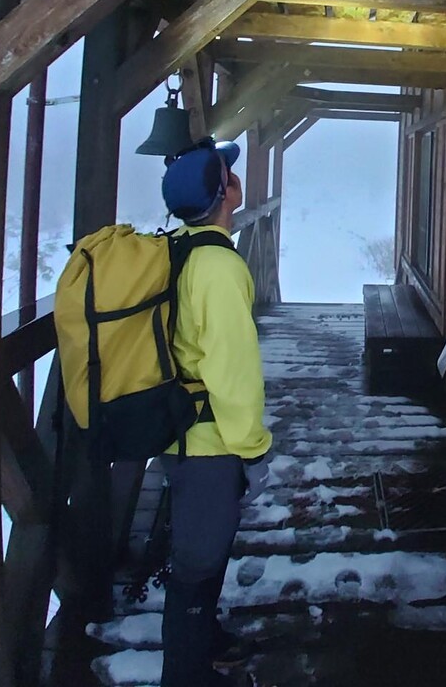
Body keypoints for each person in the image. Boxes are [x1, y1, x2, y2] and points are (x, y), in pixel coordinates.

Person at [159, 139, 272, 687]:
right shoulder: (218, 268)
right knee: (197, 563)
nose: (236, 176)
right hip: (208, 441)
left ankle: (206, 642)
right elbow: (233, 370)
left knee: (203, 549)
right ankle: (185, 674)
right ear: (225, 193)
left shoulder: (177, 248)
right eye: (230, 171)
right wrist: (253, 448)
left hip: (178, 428)